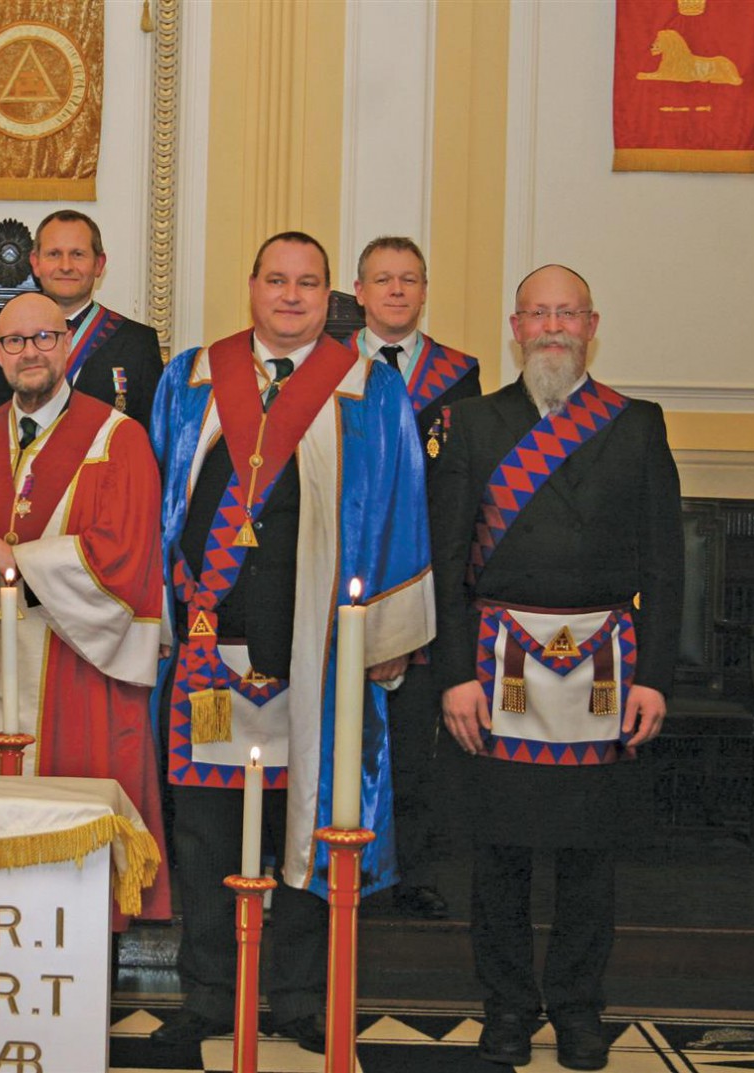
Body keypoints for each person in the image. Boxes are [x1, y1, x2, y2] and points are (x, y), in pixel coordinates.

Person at [149, 231, 434, 1050]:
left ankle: (300, 997)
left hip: (322, 655)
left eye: (308, 283)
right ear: (251, 286)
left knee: (310, 826)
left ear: (329, 295)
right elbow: (159, 492)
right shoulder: (192, 376)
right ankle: (206, 996)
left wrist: (391, 632)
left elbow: (400, 508)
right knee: (204, 828)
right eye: (276, 279)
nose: (291, 295)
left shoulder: (366, 388)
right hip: (209, 648)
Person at [432, 265, 682, 1071]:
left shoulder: (636, 423)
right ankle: (506, 1008)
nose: (551, 327)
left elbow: (666, 560)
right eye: (538, 313)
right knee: (499, 853)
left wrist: (656, 678)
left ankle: (578, 1009)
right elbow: (444, 561)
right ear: (514, 326)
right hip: (498, 664)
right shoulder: (473, 422)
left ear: (591, 324)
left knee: (587, 854)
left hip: (607, 667)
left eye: (566, 313)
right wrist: (452, 674)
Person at [0, 291, 171, 922]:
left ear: (67, 345)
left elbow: (128, 557)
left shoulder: (118, 440)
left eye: (43, 338)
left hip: (77, 673)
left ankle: (76, 965)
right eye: (14, 341)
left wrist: (22, 562)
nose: (29, 352)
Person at [348, 235, 482, 919]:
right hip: (342, 573)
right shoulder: (331, 368)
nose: (396, 290)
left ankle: (411, 870)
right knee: (338, 731)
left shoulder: (459, 373)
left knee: (412, 737)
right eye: (382, 279)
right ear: (360, 292)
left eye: (409, 279)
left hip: (425, 574)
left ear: (425, 291)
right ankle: (338, 861)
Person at [0, 210, 164, 429]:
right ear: (35, 263)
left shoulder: (137, 343)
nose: (66, 266)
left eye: (77, 254)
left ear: (99, 264)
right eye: (54, 254)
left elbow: (149, 443)